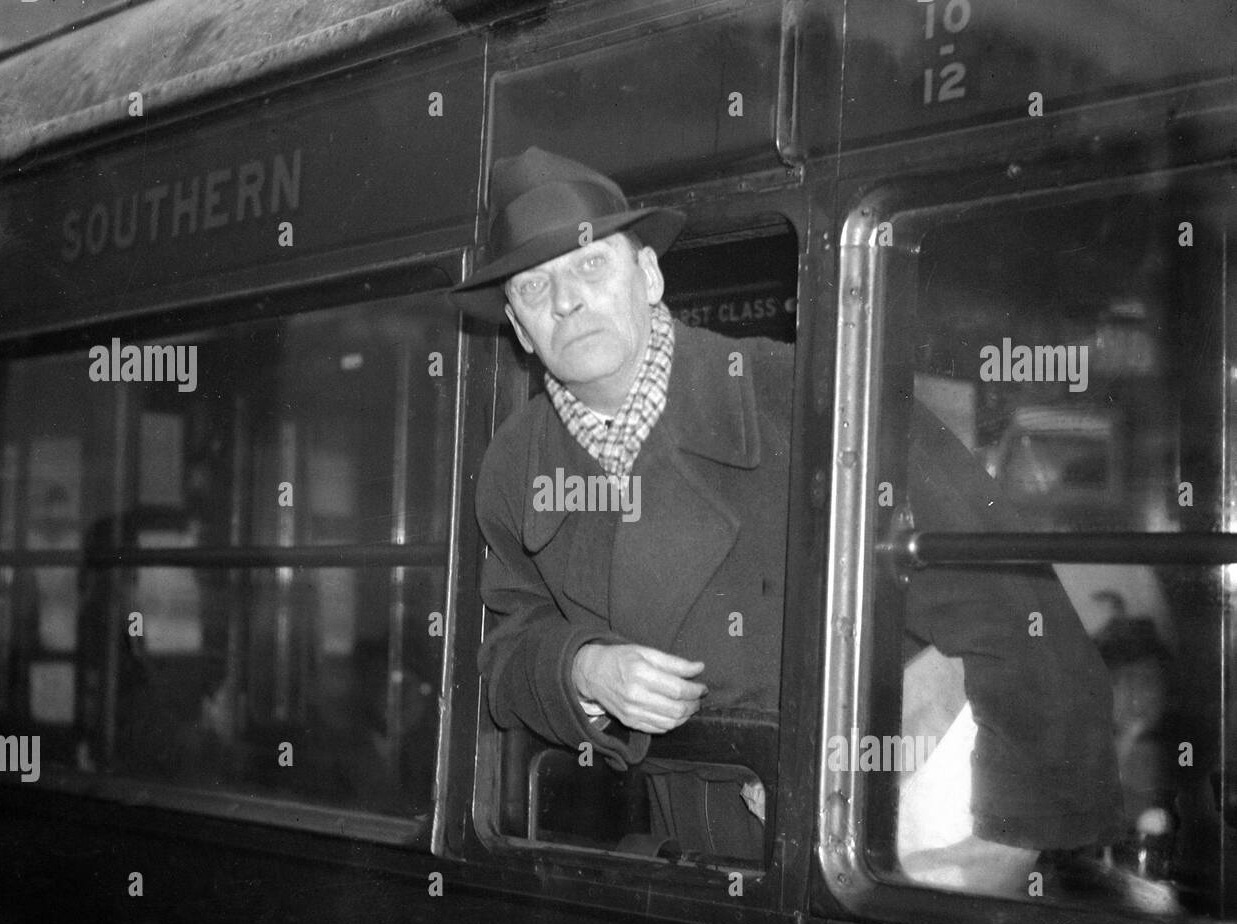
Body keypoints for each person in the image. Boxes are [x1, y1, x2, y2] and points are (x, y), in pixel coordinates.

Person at [451, 146, 1123, 877]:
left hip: (851, 848)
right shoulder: (516, 465)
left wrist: (1000, 845)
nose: (567, 301)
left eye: (590, 266)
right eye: (534, 286)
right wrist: (582, 667)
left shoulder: (801, 398)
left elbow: (1015, 608)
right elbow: (507, 649)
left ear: (647, 276)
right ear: (517, 326)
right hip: (676, 857)